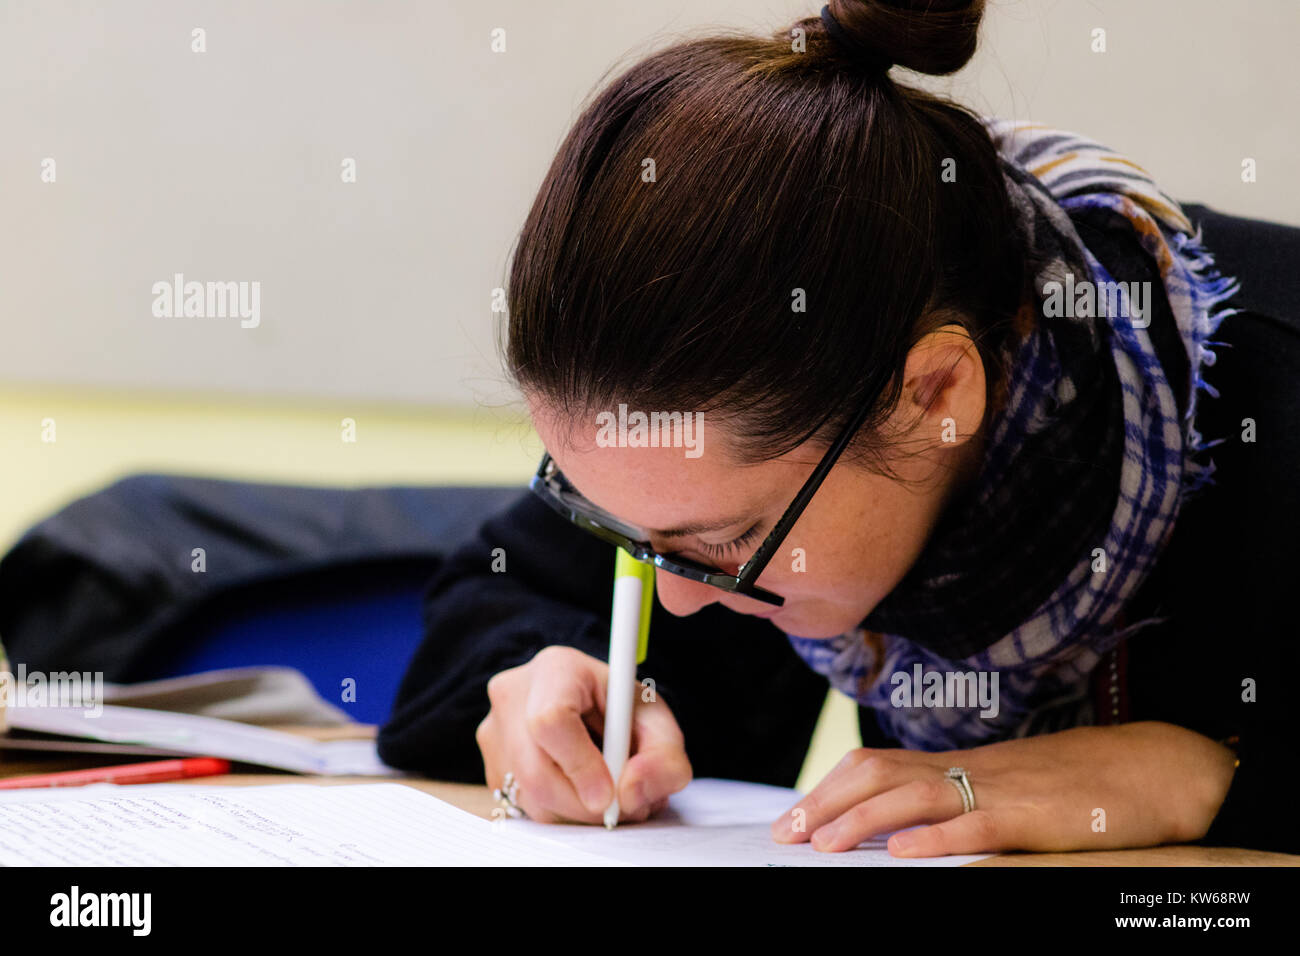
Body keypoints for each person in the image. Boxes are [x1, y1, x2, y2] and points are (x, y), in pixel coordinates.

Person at [378, 0, 1300, 857]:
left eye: (724, 543)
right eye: (619, 530)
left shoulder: (1269, 393)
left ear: (938, 395)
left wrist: (1207, 778)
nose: (674, 603)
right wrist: (539, 685)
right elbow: (481, 623)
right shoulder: (692, 446)